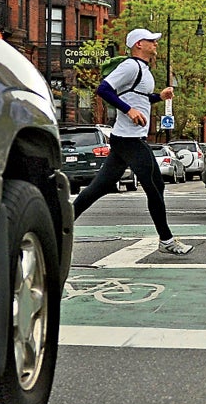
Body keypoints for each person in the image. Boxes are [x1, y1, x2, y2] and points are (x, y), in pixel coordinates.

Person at [72, 28, 192, 254]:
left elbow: (139, 98)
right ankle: (166, 240)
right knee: (154, 186)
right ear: (139, 44)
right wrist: (128, 110)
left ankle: (61, 223)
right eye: (151, 40)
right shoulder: (130, 66)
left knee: (100, 187)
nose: (155, 44)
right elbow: (103, 89)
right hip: (130, 140)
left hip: (127, 138)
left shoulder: (143, 69)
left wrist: (159, 97)